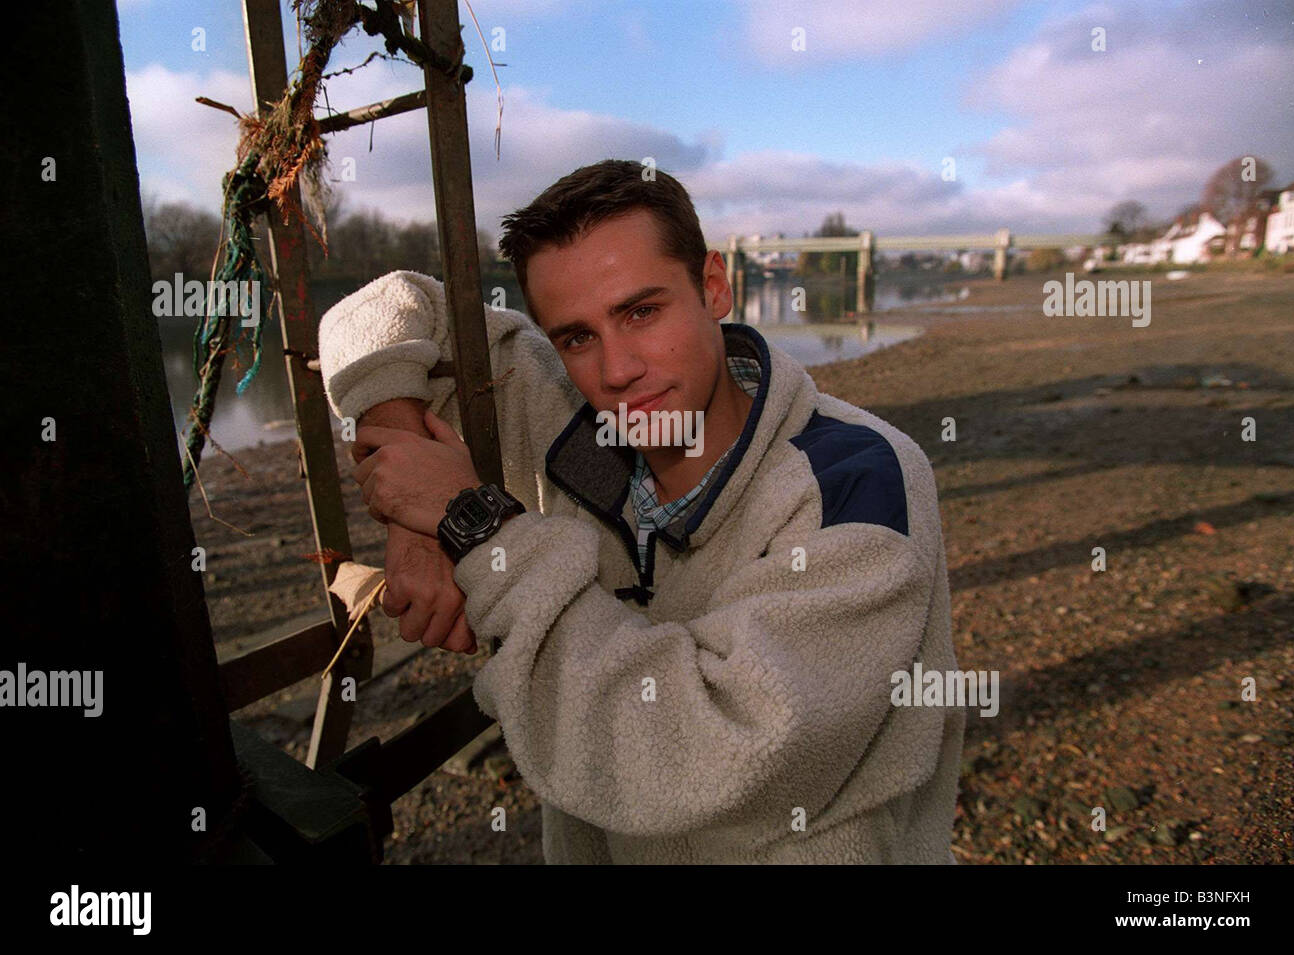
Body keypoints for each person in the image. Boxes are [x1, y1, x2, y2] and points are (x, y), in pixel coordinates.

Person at [318, 159, 964, 863]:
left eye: (641, 312)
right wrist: (412, 522)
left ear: (714, 285)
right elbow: (376, 310)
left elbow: (720, 751)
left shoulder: (855, 480)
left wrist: (473, 525)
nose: (617, 368)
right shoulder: (565, 415)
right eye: (576, 337)